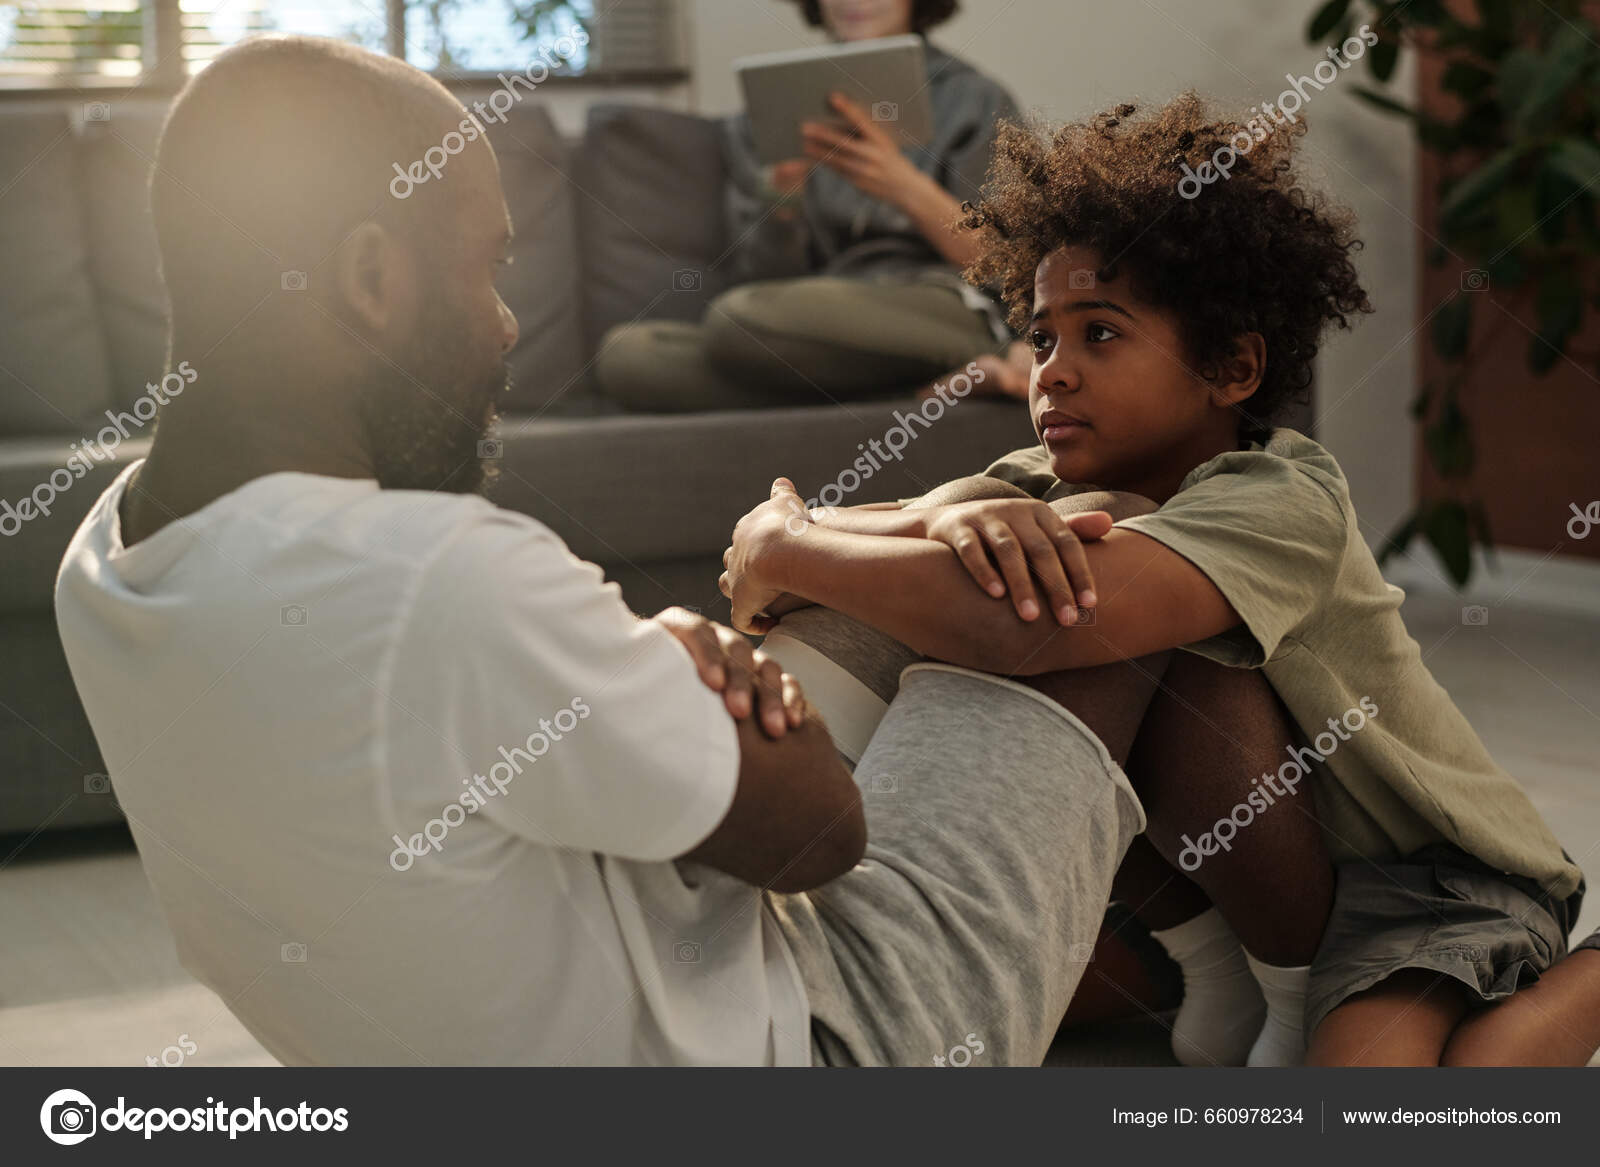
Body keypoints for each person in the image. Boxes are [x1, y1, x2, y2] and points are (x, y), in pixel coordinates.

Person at [54, 35, 1146, 1067]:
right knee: (1090, 573)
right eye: (483, 270)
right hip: (826, 1044)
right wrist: (684, 649)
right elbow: (820, 832)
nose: (504, 325)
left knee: (870, 607)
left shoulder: (106, 553)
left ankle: (1179, 961)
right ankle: (1263, 987)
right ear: (371, 280)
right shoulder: (440, 574)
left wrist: (687, 650)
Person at [721, 95, 1600, 1067]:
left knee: (1382, 1084)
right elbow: (829, 576)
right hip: (1198, 880)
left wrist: (781, 548)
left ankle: (1536, 976)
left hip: (1415, 877)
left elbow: (1033, 627)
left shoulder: (1282, 495)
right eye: (1042, 337)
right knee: (1006, 997)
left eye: (1098, 334)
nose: (1050, 372)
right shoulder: (1032, 489)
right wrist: (888, 523)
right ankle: (1219, 972)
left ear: (1230, 368)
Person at [594, 0, 1022, 413]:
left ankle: (985, 359)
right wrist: (783, 204)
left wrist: (902, 186)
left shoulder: (974, 99)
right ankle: (916, 395)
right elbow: (762, 280)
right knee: (630, 355)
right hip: (817, 324)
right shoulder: (773, 111)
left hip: (942, 303)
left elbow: (1009, 263)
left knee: (739, 319)